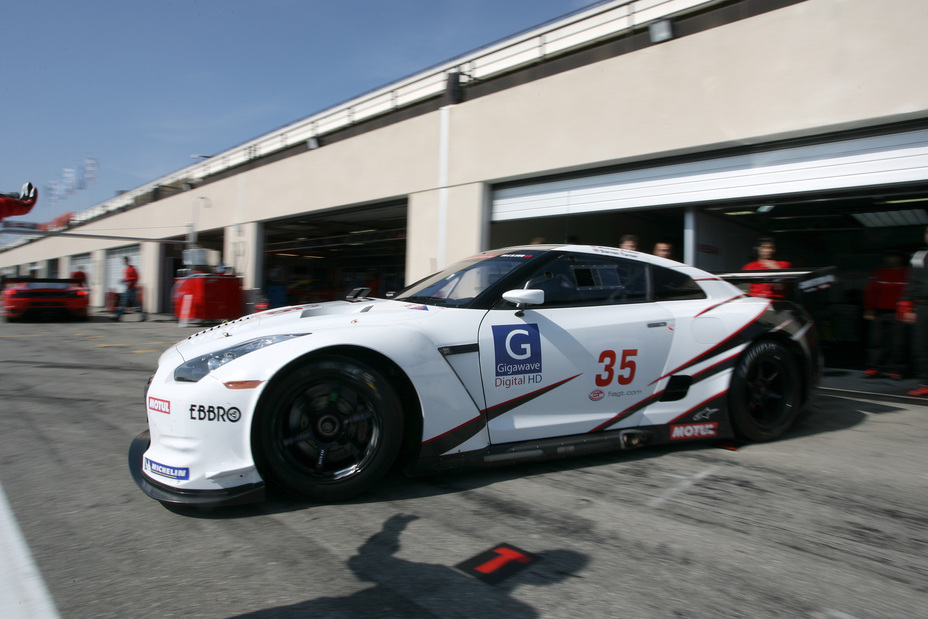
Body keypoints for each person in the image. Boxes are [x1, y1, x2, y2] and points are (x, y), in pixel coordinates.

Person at [862, 251, 908, 379]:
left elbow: (912, 292)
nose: (891, 259)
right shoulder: (879, 273)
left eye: (894, 257)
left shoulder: (907, 273)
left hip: (899, 312)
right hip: (879, 311)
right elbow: (871, 291)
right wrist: (869, 309)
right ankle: (873, 367)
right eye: (889, 257)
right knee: (876, 340)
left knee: (898, 342)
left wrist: (910, 310)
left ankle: (895, 369)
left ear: (900, 258)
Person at [900, 226, 928, 396]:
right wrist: (906, 306)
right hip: (923, 306)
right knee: (920, 346)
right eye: (927, 233)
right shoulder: (919, 256)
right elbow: (912, 283)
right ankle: (925, 382)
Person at [114, 256, 145, 321]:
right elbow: (127, 279)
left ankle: (118, 317)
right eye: (123, 261)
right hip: (127, 288)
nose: (124, 262)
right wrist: (123, 280)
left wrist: (127, 279)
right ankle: (118, 317)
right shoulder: (125, 270)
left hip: (131, 289)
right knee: (125, 303)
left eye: (125, 261)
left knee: (133, 303)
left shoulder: (133, 268)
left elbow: (136, 277)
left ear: (128, 261)